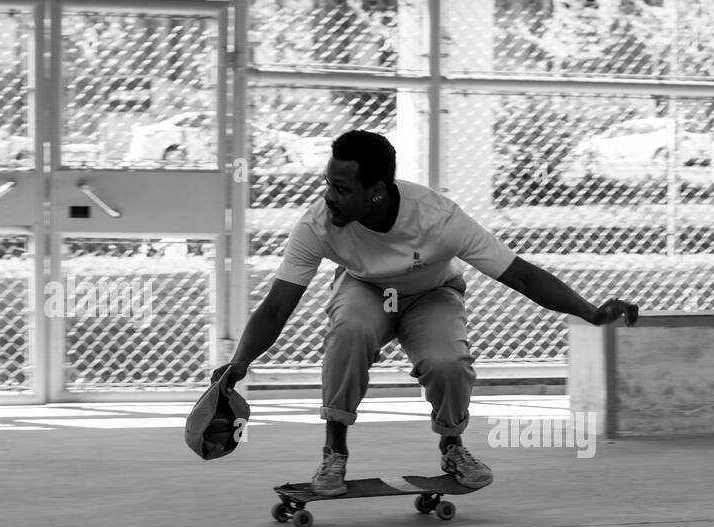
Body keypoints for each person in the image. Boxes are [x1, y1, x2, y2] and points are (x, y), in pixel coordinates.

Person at [212, 129, 638, 495]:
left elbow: (521, 276)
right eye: (328, 183)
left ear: (376, 190)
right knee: (350, 331)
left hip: (431, 293)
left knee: (448, 361)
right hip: (366, 287)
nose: (329, 197)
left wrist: (590, 312)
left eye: (342, 189)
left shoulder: (439, 218)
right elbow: (278, 305)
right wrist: (240, 362)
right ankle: (334, 452)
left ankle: (452, 445)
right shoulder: (317, 224)